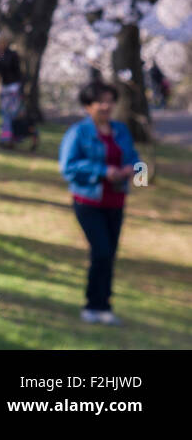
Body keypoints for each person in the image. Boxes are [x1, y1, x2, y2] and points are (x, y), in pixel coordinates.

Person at [59, 81, 141, 326]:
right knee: (101, 251)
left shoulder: (121, 130)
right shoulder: (77, 133)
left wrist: (134, 170)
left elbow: (136, 159)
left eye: (109, 101)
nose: (106, 106)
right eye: (100, 101)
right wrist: (103, 171)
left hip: (116, 200)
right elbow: (68, 167)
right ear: (87, 106)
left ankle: (104, 306)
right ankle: (92, 305)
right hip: (88, 200)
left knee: (109, 254)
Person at [0, 43, 37, 150]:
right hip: (5, 88)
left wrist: (21, 90)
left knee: (13, 115)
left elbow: (18, 73)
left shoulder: (12, 55)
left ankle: (11, 138)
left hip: (14, 88)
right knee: (6, 114)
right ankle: (7, 138)